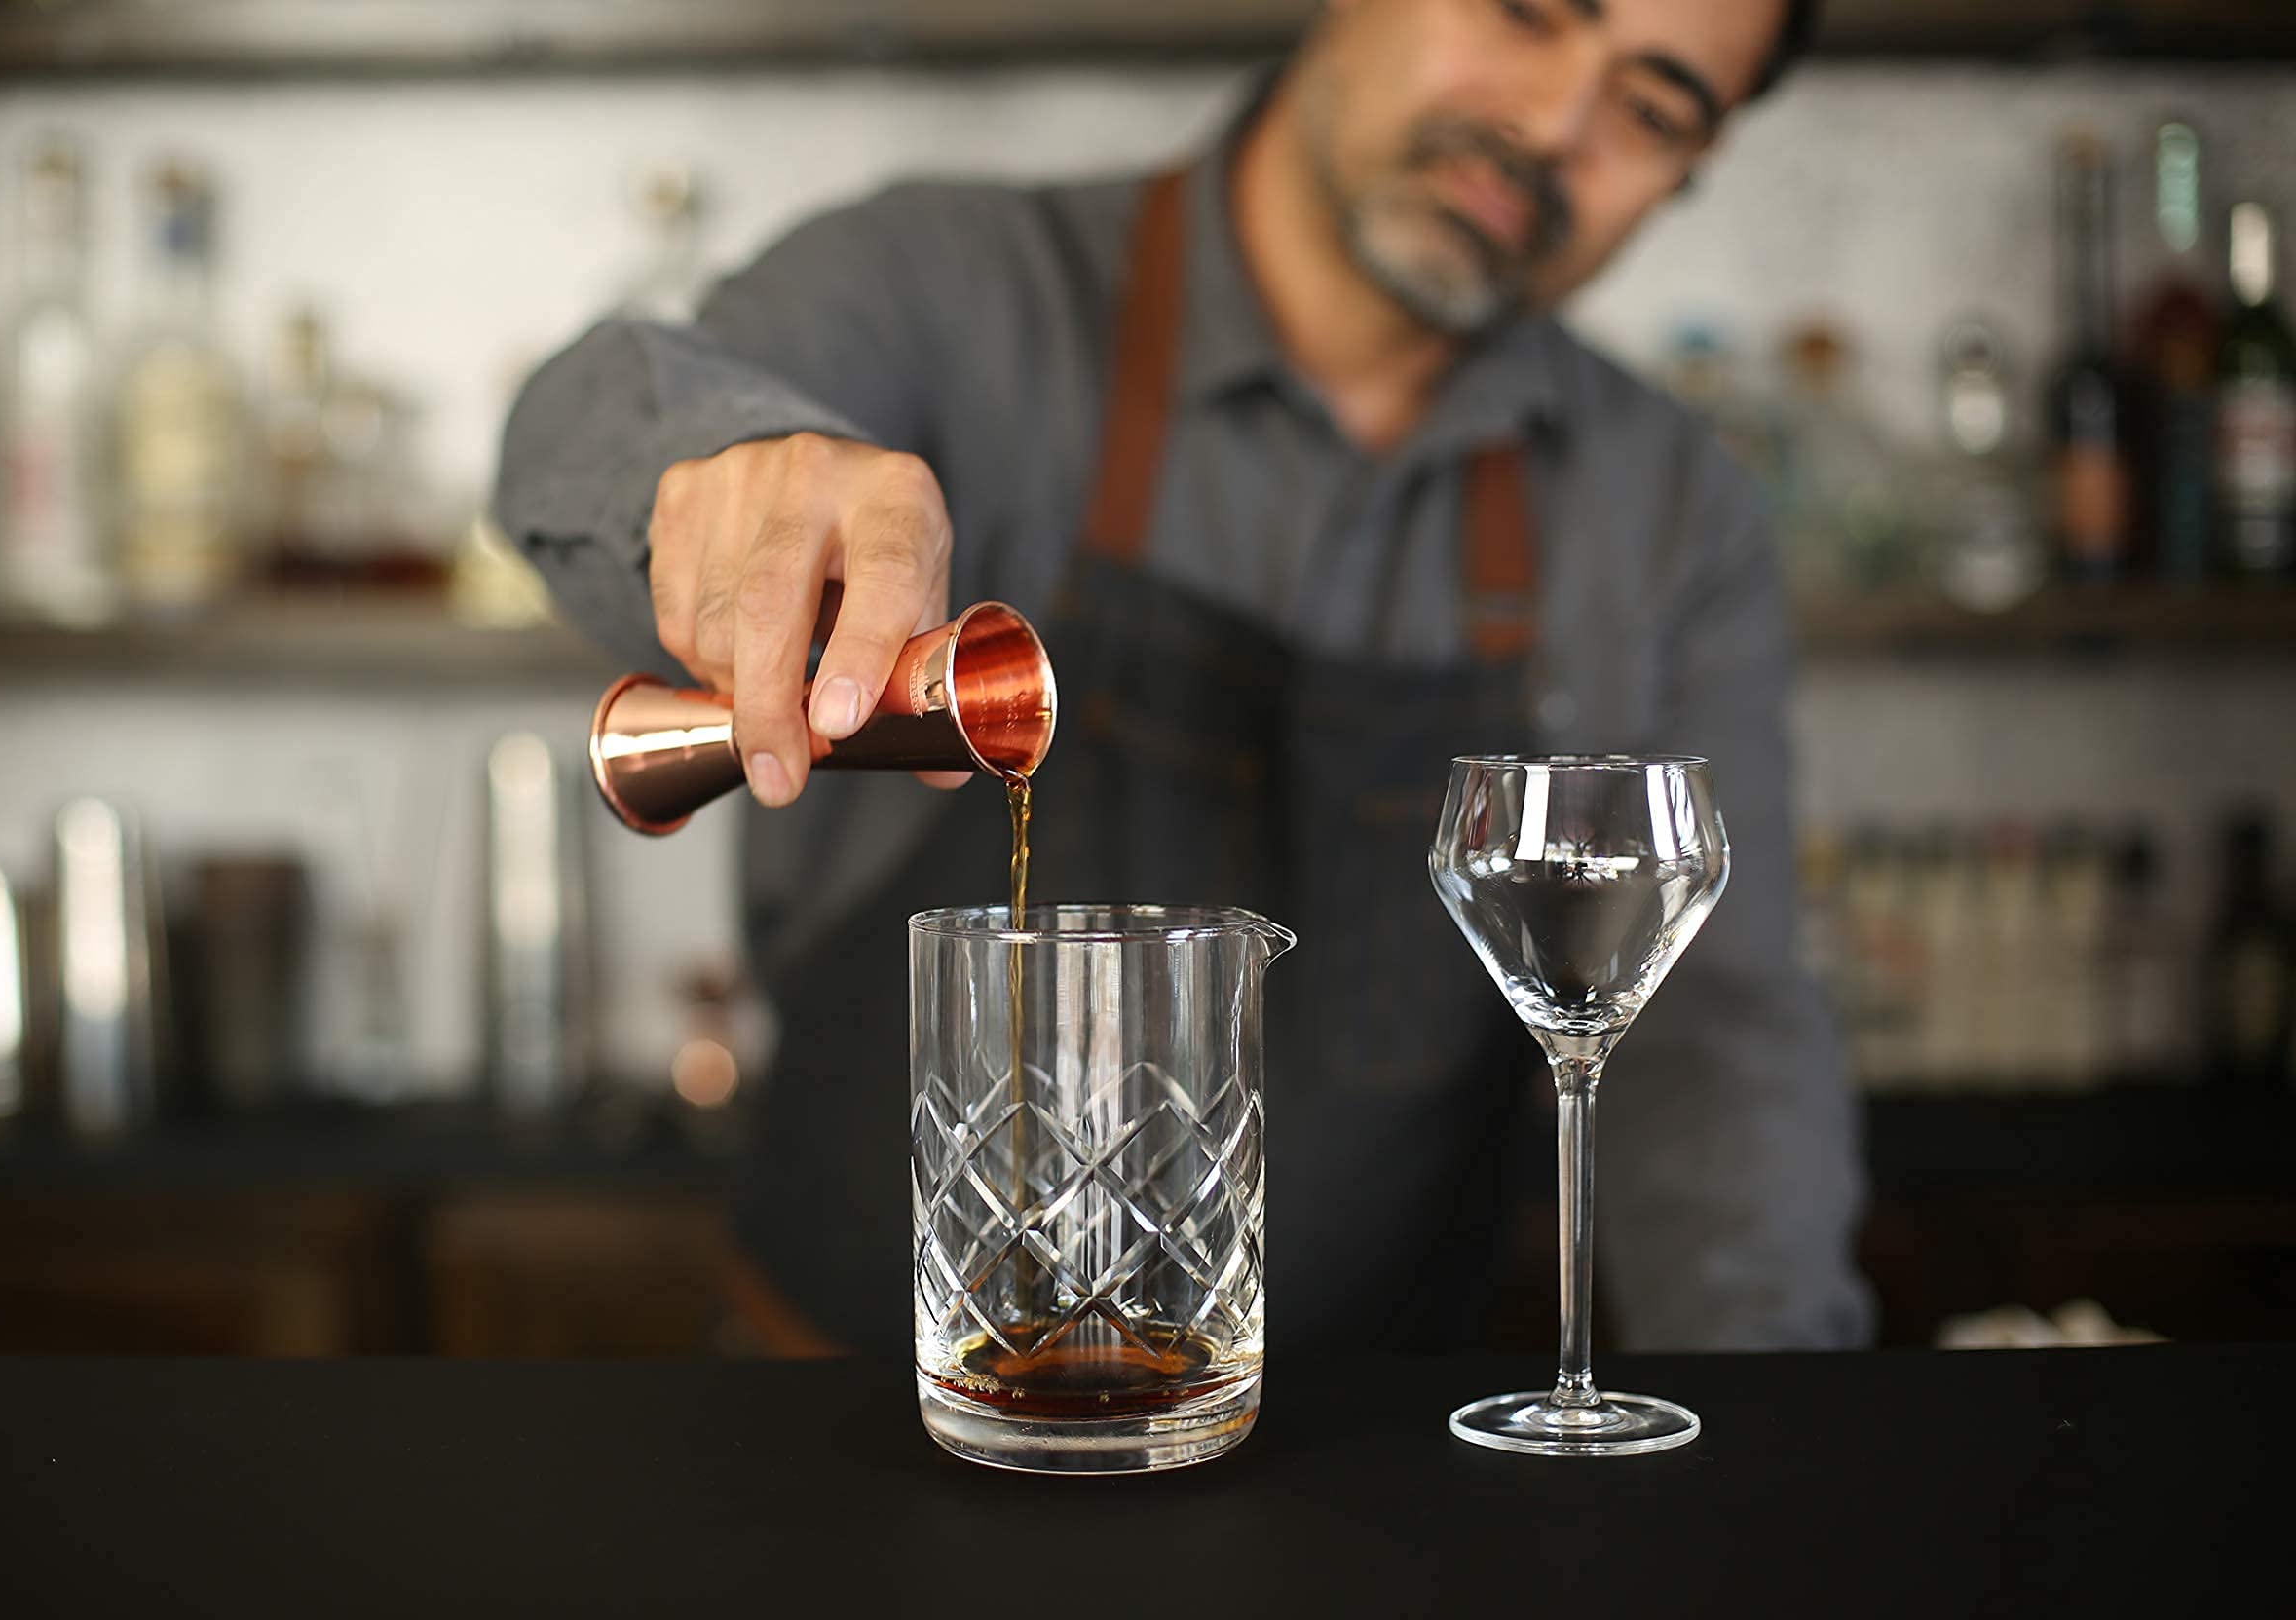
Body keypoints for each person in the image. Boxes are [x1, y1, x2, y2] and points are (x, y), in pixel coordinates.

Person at [495, 0, 1874, 1357]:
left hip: (1376, 1487)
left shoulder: (1667, 510)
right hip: (842, 1440)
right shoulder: (943, 286)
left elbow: (1717, 1032)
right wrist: (728, 479)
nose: (1555, 124)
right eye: (1524, 10)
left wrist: (1774, 1425)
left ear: (1686, 178)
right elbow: (592, 411)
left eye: (1649, 108)